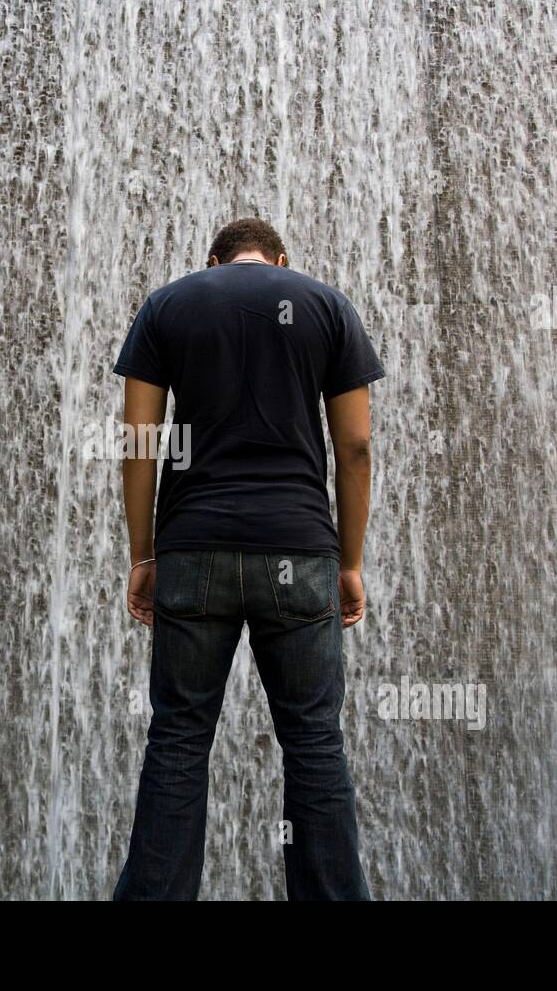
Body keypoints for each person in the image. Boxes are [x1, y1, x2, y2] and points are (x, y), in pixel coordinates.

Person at [111, 216, 384, 900]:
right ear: (281, 259)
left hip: (192, 550)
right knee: (315, 744)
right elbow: (355, 447)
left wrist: (142, 554)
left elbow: (138, 440)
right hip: (299, 550)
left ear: (214, 260)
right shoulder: (326, 306)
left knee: (178, 743)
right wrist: (349, 564)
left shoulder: (168, 305)